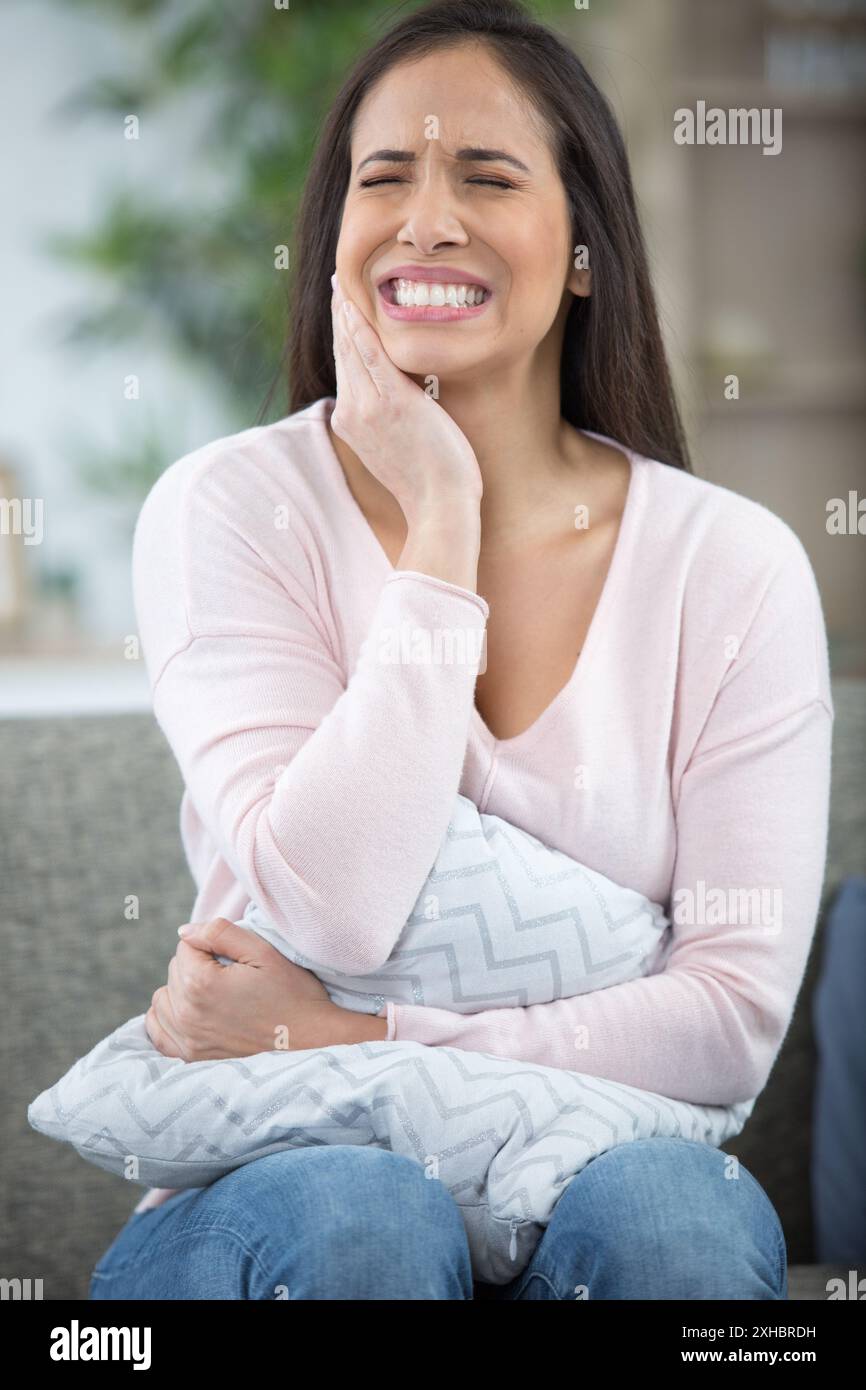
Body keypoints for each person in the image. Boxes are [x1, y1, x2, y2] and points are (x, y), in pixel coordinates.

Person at [90, 0, 832, 1300]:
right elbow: (335, 904)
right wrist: (442, 521)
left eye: (485, 176)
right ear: (335, 240)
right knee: (363, 1218)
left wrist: (356, 1033)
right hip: (284, 1184)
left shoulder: (732, 567)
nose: (426, 218)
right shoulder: (230, 510)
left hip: (595, 1164)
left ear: (585, 249)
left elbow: (722, 1024)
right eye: (385, 179)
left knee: (676, 1218)